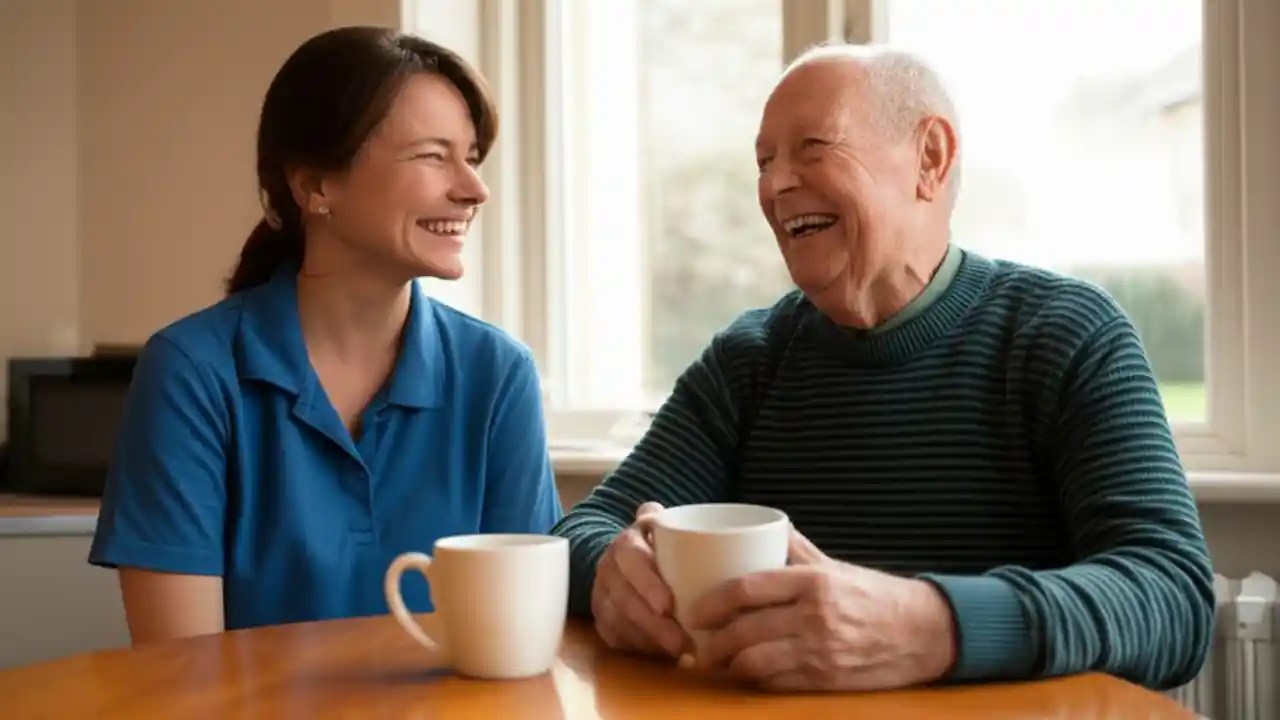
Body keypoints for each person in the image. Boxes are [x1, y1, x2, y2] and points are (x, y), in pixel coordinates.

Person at [550, 44, 1214, 692]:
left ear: (930, 158)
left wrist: (928, 625)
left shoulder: (1065, 334)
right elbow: (584, 530)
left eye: (814, 149)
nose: (774, 185)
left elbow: (1170, 595)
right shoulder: (748, 361)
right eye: (764, 161)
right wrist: (614, 570)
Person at [88, 26, 562, 644]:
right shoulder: (191, 371)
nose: (474, 189)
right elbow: (180, 675)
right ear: (314, 185)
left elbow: (520, 643)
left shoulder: (498, 375)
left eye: (470, 157)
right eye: (431, 155)